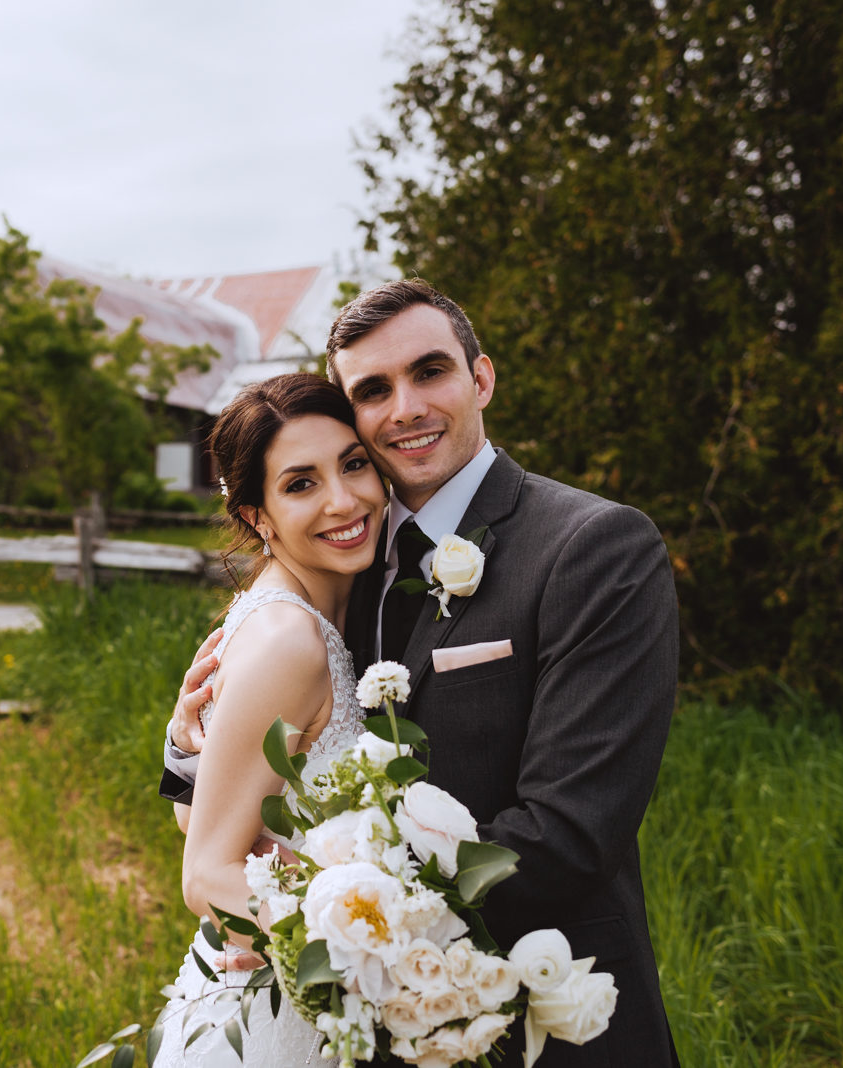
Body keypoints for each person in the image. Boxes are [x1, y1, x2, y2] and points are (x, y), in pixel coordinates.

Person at [163, 280, 680, 1066]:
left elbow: (568, 835)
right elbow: (244, 805)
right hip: (363, 1021)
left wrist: (348, 926)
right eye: (373, 390)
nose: (404, 408)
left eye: (430, 371)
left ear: (482, 378)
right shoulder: (342, 561)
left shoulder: (593, 547)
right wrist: (190, 748)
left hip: (540, 1012)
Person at [151, 373, 387, 1066]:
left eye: (353, 464)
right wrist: (387, 944)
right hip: (275, 1016)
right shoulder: (289, 641)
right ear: (259, 516)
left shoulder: (304, 608)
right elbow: (205, 875)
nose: (343, 500)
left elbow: (202, 813)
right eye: (301, 483)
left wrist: (181, 751)